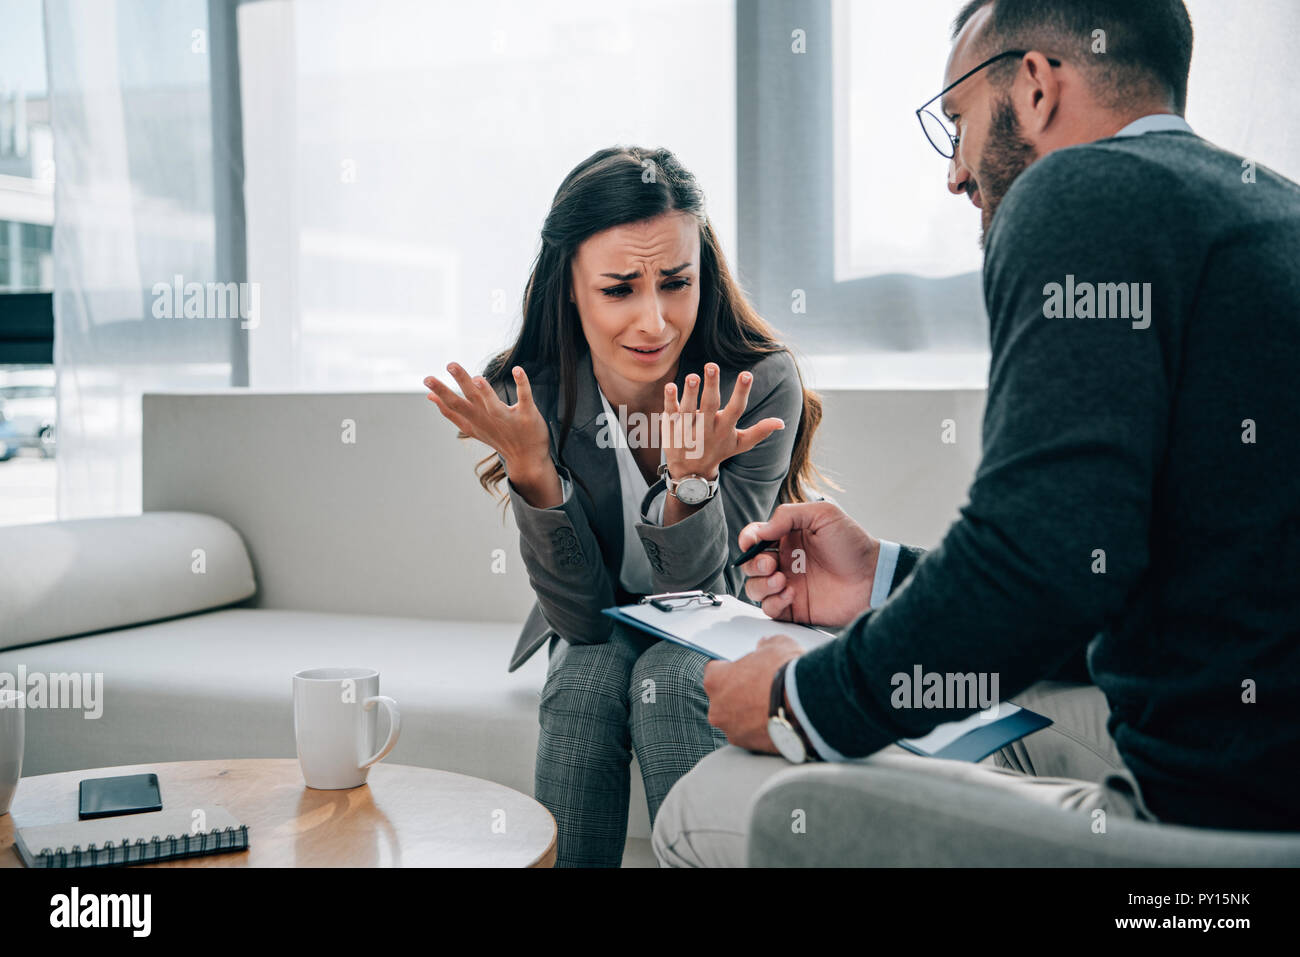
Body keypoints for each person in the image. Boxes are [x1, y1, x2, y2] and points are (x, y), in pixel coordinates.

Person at [653, 0, 1300, 867]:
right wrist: (887, 580)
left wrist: (795, 699)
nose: (954, 174)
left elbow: (1039, 560)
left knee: (709, 800)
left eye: (955, 119)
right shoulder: (1267, 212)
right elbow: (1129, 576)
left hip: (1210, 855)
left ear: (1034, 87)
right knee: (994, 727)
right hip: (1256, 777)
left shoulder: (1080, 192)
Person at [424, 146, 828, 867]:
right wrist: (532, 471)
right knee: (584, 678)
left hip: (724, 615)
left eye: (676, 282)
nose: (655, 321)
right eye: (619, 289)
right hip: (598, 617)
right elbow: (578, 617)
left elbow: (707, 601)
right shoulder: (538, 394)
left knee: (670, 678)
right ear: (569, 289)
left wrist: (692, 483)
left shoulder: (758, 385)